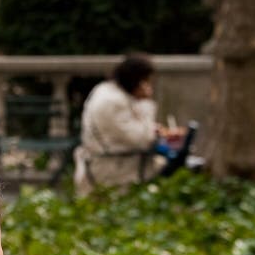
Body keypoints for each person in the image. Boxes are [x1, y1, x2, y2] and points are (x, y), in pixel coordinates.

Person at [73, 53, 193, 196]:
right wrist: (146, 102)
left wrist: (155, 130)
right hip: (115, 167)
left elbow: (127, 130)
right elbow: (142, 140)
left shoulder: (107, 90)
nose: (149, 85)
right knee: (176, 167)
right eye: (147, 81)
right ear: (138, 81)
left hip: (113, 160)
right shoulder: (113, 102)